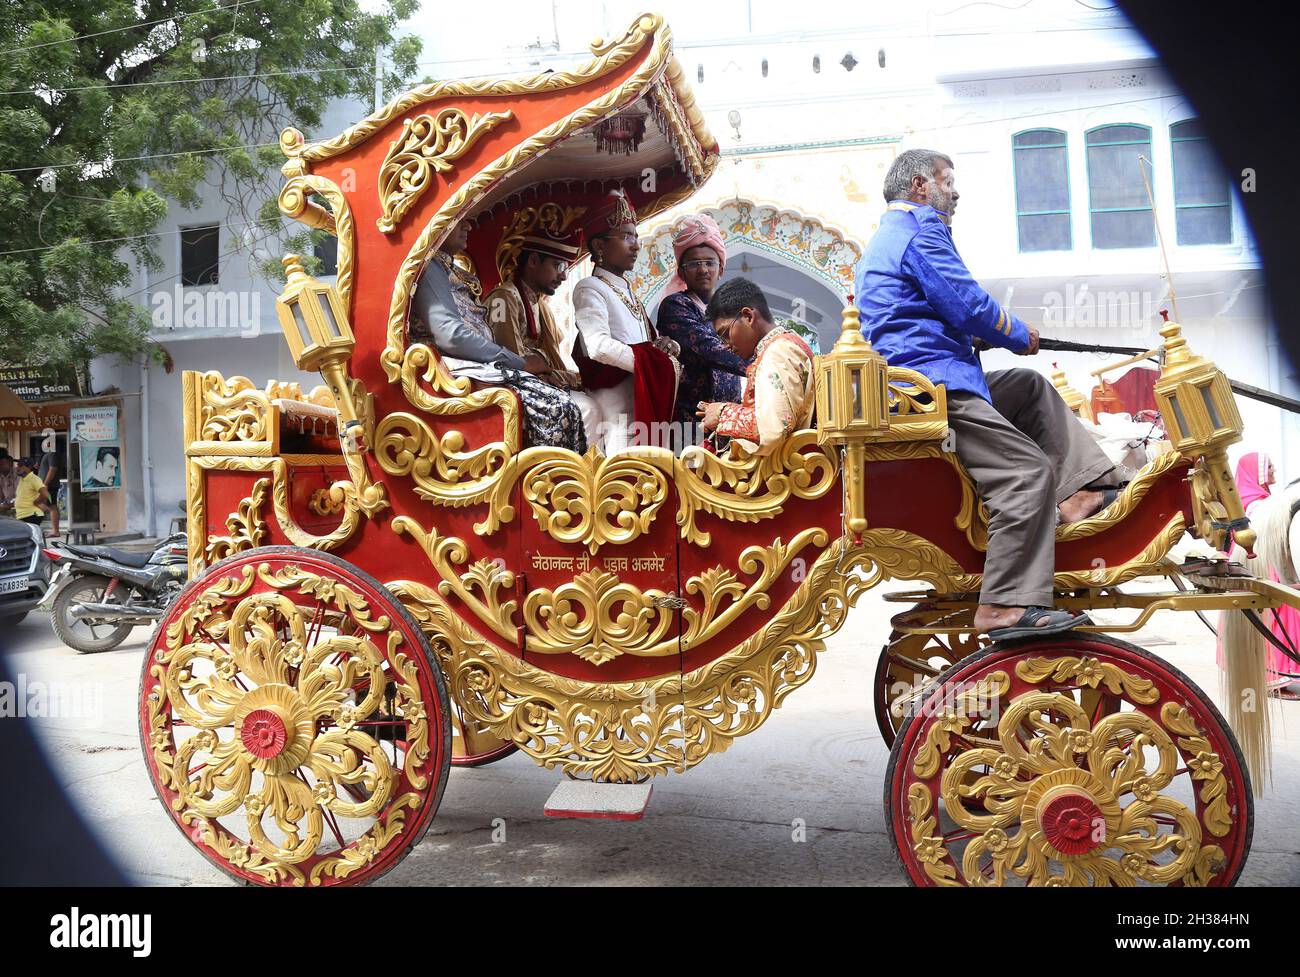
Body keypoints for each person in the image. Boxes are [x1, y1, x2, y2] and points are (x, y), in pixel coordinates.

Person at [855, 148, 1120, 640]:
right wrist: (1018, 334)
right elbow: (969, 303)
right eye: (947, 181)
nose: (955, 192)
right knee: (1024, 474)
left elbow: (926, 312)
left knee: (1028, 388)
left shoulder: (888, 237)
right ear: (919, 186)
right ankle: (1004, 606)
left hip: (928, 374)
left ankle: (1082, 491)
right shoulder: (920, 228)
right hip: (934, 385)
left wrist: (977, 336)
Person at [409, 219, 587, 454]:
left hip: (479, 366)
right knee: (557, 406)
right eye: (457, 220)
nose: (468, 226)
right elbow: (450, 335)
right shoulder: (430, 267)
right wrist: (518, 363)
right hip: (454, 369)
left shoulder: (445, 268)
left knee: (569, 403)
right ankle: (543, 484)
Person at [572, 190, 679, 453]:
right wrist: (652, 361)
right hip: (615, 403)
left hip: (642, 393)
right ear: (599, 246)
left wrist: (664, 348)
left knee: (652, 473)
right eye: (626, 237)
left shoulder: (629, 292)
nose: (636, 245)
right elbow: (598, 346)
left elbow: (644, 343)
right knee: (623, 477)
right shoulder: (590, 287)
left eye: (636, 236)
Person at [483, 214, 600, 448]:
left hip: (539, 381)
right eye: (558, 266)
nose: (564, 276)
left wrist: (559, 374)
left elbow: (543, 360)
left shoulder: (538, 303)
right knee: (586, 408)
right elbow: (512, 361)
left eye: (566, 268)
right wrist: (550, 372)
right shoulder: (504, 298)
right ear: (533, 261)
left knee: (594, 401)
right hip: (514, 388)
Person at [696, 278, 815, 456]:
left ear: (748, 316)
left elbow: (775, 427)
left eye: (725, 333)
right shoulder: (785, 344)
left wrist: (722, 414)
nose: (726, 345)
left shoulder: (777, 352)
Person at [655, 215, 746, 428]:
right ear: (681, 272)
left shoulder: (732, 311)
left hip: (728, 417)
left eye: (709, 262)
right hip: (688, 419)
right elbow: (708, 348)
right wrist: (758, 367)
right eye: (694, 263)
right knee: (689, 462)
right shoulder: (676, 305)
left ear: (721, 269)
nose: (703, 269)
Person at [13, 457, 49, 529]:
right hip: (23, 515)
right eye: (17, 465)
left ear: (29, 467)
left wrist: (36, 502)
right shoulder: (22, 480)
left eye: (20, 466)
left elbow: (45, 494)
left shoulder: (34, 478)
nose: (17, 468)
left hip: (31, 515)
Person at [38, 446, 62, 535]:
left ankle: (55, 531)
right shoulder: (47, 454)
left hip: (49, 485)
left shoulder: (52, 453)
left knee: (51, 507)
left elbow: (53, 469)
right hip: (47, 485)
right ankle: (55, 530)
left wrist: (45, 484)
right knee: (50, 506)